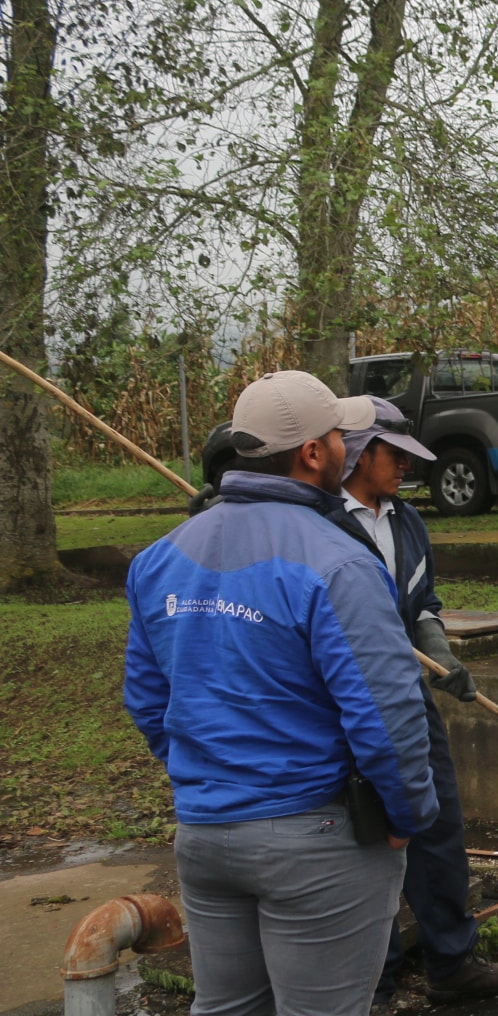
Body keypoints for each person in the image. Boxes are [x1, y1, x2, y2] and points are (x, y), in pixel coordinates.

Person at [123, 371, 439, 1016]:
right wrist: (407, 816)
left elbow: (148, 700)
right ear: (313, 452)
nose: (347, 450)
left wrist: (212, 777)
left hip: (206, 835)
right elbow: (386, 713)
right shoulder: (339, 562)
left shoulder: (158, 559)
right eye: (339, 439)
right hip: (316, 838)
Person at [340, 400, 498, 1007]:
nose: (407, 467)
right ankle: (373, 979)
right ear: (357, 453)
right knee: (365, 833)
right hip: (344, 698)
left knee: (437, 820)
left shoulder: (407, 521)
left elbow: (422, 603)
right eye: (394, 455)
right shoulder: (317, 521)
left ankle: (452, 959)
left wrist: (439, 652)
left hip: (406, 691)